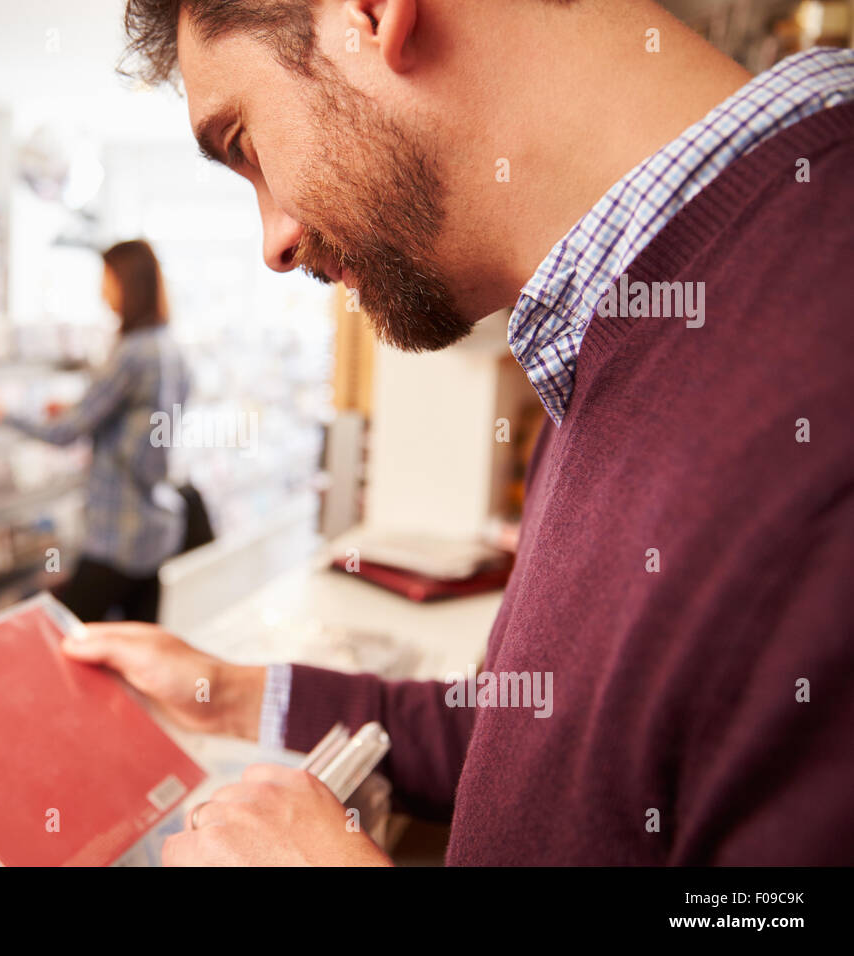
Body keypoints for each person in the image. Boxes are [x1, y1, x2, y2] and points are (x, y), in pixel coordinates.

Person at [56, 0, 854, 865]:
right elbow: (534, 735)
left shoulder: (819, 364)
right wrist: (231, 694)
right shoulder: (614, 332)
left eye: (246, 144)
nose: (276, 243)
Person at [7, 240, 190, 623]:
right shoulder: (168, 347)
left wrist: (3, 412)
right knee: (135, 649)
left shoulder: (132, 352)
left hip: (116, 533)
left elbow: (64, 433)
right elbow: (136, 416)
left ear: (128, 283)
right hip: (152, 529)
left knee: (68, 636)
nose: (101, 291)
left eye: (107, 279)